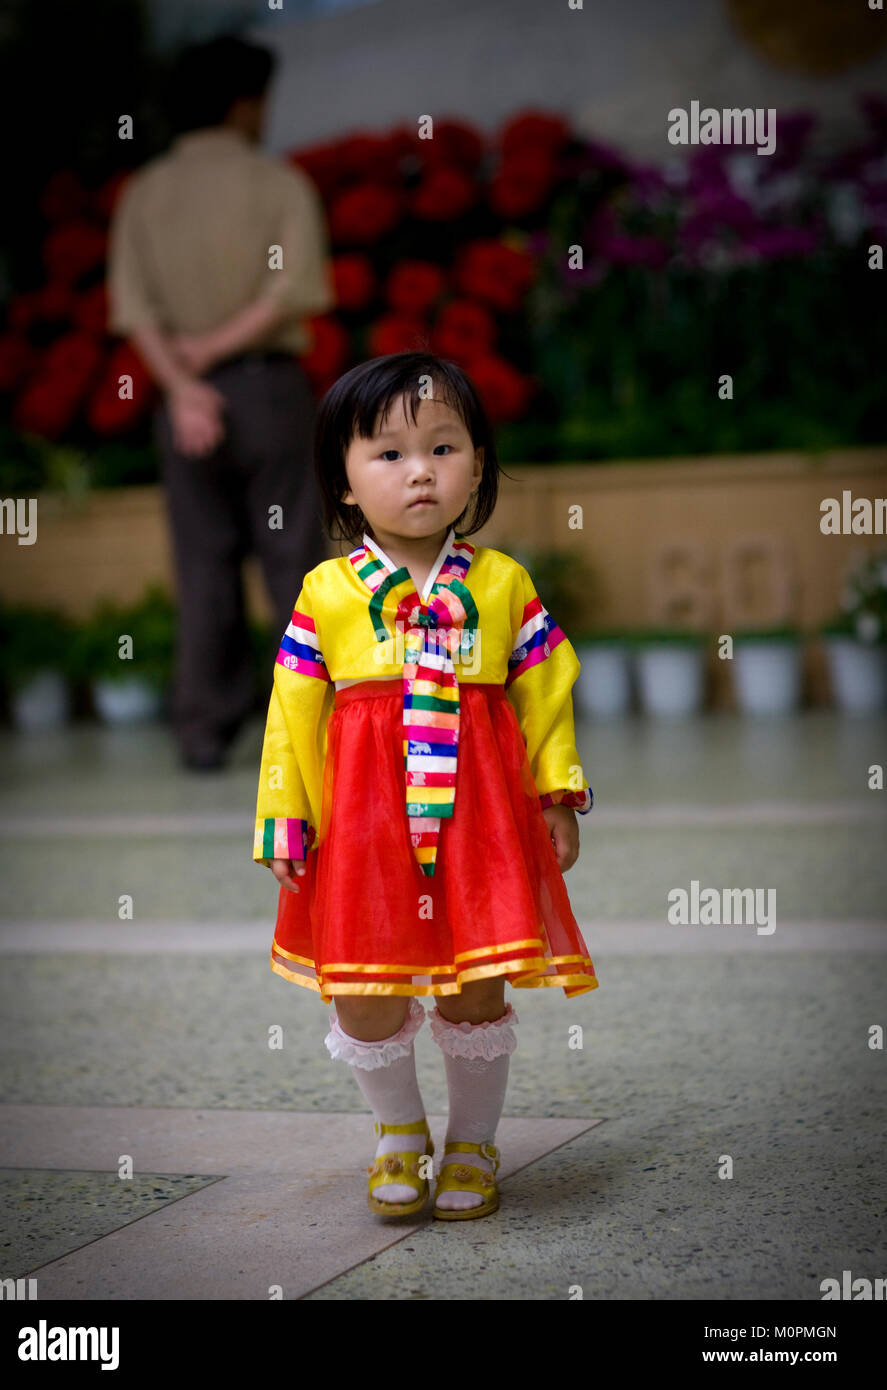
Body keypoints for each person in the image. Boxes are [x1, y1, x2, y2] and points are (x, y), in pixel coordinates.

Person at [252, 351, 598, 1221]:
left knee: (474, 984)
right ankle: (399, 1134)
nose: (420, 473)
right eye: (390, 454)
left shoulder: (501, 583)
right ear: (341, 480)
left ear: (478, 463)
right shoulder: (326, 594)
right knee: (364, 991)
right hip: (364, 828)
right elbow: (290, 713)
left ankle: (474, 1145)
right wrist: (284, 816)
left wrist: (555, 789)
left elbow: (546, 688)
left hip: (480, 822)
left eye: (444, 448)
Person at [106, 34, 335, 769]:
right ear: (243, 104)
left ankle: (203, 736)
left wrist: (182, 385)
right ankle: (315, 735)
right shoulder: (276, 184)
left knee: (202, 565)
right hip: (264, 386)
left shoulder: (145, 192)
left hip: (183, 403)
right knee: (293, 561)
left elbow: (133, 308)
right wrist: (214, 356)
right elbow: (294, 289)